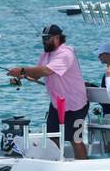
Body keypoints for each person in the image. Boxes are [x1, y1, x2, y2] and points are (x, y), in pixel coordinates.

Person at [7, 24, 89, 160]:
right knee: (52, 138)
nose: (44, 41)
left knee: (75, 139)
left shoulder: (66, 54)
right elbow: (38, 75)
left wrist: (22, 70)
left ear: (57, 38)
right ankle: (56, 164)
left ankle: (84, 168)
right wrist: (20, 77)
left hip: (76, 104)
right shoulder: (45, 55)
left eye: (47, 38)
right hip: (57, 104)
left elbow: (46, 71)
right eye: (43, 38)